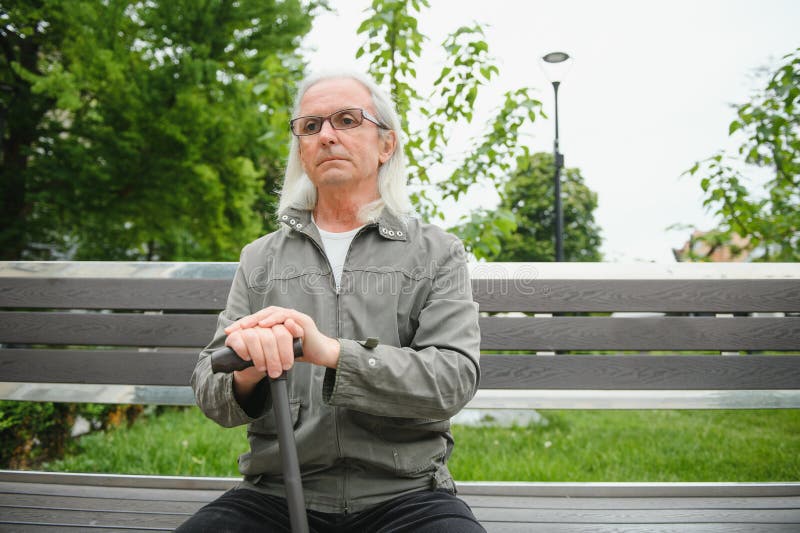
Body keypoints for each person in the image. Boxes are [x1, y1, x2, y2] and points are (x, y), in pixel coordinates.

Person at [178, 70, 484, 532]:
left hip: (405, 495)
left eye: (346, 120)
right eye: (310, 126)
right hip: (275, 494)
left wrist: (332, 353)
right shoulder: (260, 257)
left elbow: (453, 379)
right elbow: (210, 388)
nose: (326, 136)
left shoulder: (437, 252)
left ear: (386, 145)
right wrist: (248, 370)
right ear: (301, 149)